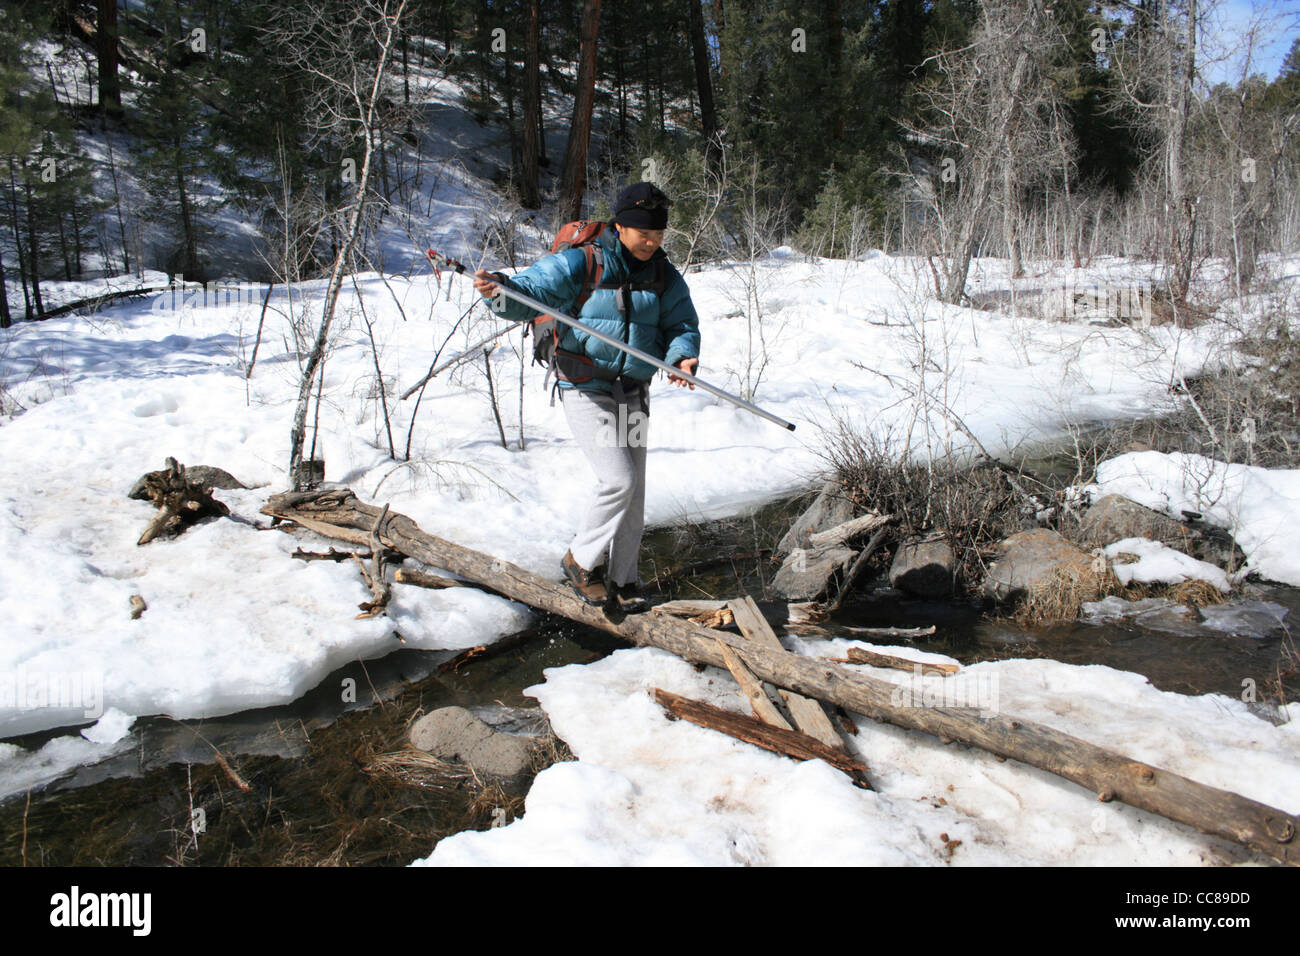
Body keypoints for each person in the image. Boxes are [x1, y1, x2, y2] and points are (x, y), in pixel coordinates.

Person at [472, 182, 700, 613]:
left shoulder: (664, 275)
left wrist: (683, 358)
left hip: (633, 392)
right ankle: (580, 560)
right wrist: (500, 290)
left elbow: (682, 325)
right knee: (619, 480)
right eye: (642, 234)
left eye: (658, 235)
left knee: (636, 492)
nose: (651, 243)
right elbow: (534, 290)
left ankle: (625, 579)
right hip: (585, 388)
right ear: (620, 226)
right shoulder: (585, 261)